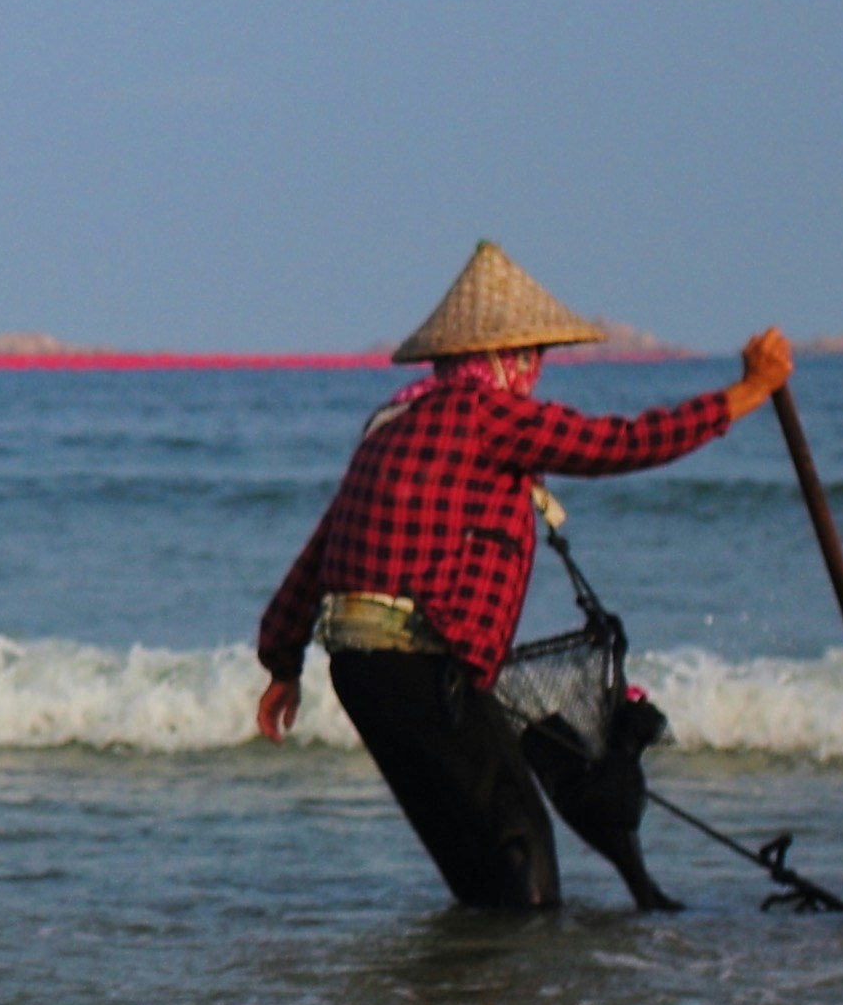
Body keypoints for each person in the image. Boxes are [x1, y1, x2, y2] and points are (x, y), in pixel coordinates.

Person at [252, 243, 795, 911]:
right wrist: (749, 393)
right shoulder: (486, 414)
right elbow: (622, 444)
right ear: (499, 358)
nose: (536, 371)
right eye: (530, 356)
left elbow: (321, 547)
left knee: (475, 863)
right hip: (419, 665)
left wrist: (283, 662)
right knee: (522, 852)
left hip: (358, 671)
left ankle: (450, 1002)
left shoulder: (391, 419)